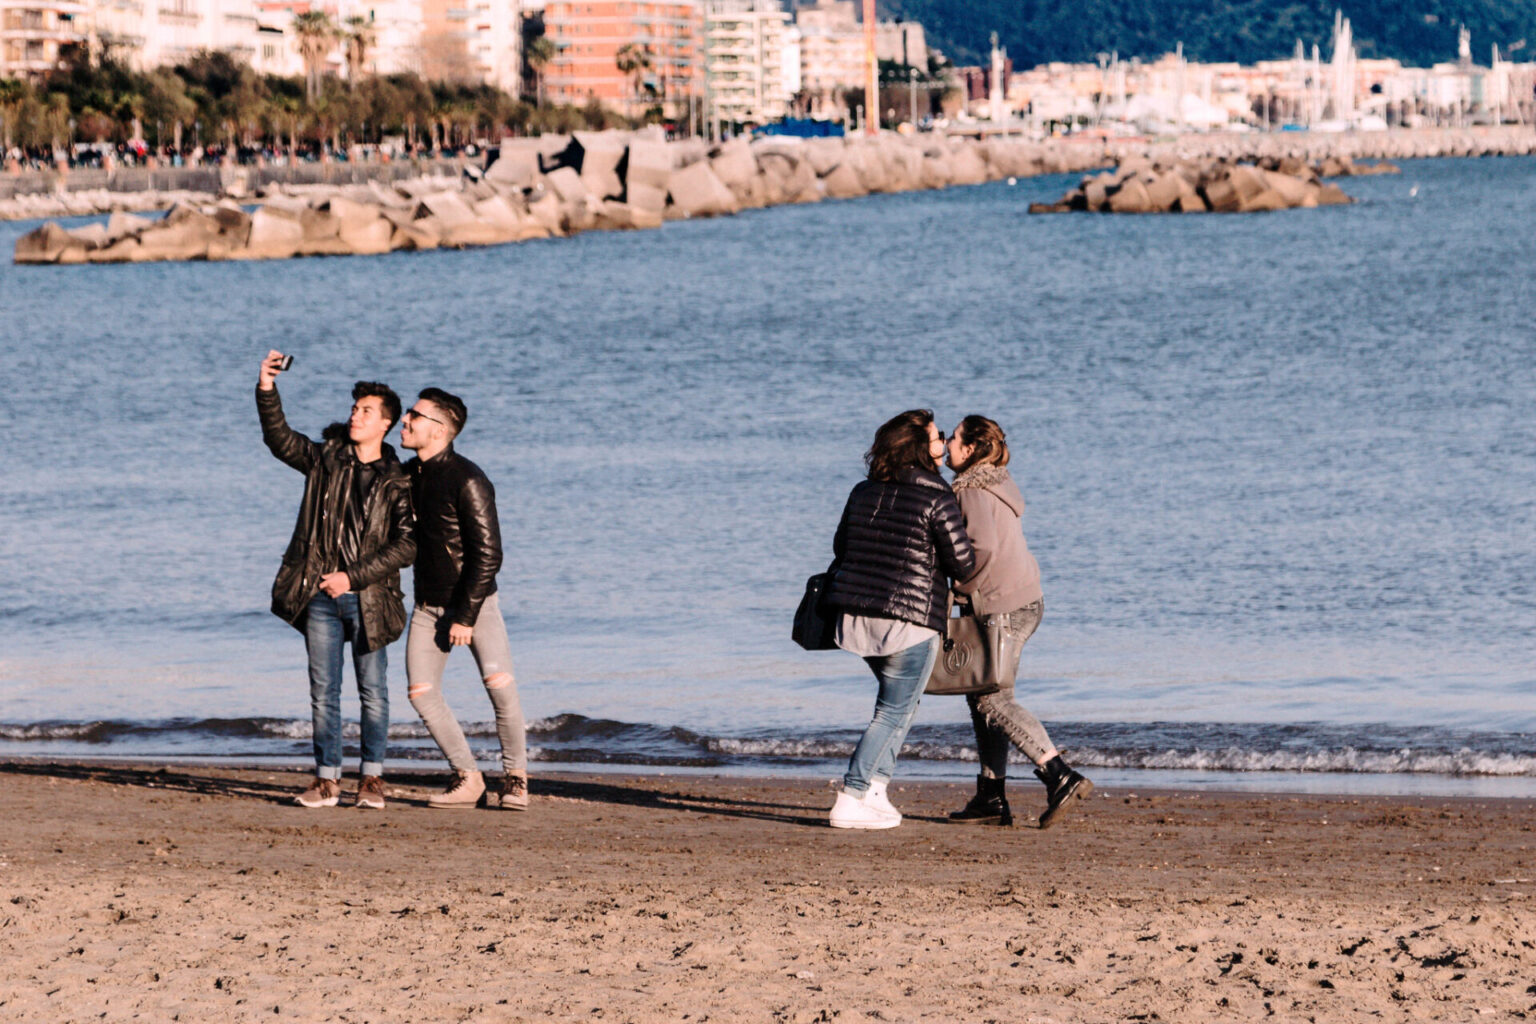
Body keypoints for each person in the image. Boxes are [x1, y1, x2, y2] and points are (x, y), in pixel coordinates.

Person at [256, 352, 415, 809]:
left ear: (385, 423)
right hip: (320, 597)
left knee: (374, 693)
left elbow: (407, 546)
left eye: (366, 411)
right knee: (324, 692)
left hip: (370, 599)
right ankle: (326, 781)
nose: (355, 415)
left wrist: (352, 577)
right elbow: (280, 440)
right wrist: (267, 387)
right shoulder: (326, 460)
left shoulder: (397, 479)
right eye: (353, 408)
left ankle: (371, 781)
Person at [822, 410, 975, 829]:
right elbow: (962, 564)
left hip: (855, 621)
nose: (943, 443)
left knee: (900, 707)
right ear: (920, 448)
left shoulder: (862, 491)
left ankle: (876, 788)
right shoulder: (937, 496)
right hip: (908, 623)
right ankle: (851, 795)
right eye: (936, 437)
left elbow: (841, 545)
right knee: (891, 712)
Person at [944, 415, 1092, 829]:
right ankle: (991, 797)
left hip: (1002, 608)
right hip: (1021, 600)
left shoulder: (971, 488)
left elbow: (983, 547)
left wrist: (958, 587)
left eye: (954, 438)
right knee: (982, 697)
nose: (947, 443)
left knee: (993, 700)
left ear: (970, 449)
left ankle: (1059, 775)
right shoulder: (995, 482)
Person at [398, 388, 527, 810]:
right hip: (426, 605)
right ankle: (468, 778)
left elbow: (489, 554)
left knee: (500, 689)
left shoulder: (468, 478)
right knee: (421, 692)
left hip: (474, 604)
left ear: (438, 428)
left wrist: (466, 615)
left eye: (413, 415)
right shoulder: (408, 475)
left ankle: (516, 780)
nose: (405, 420)